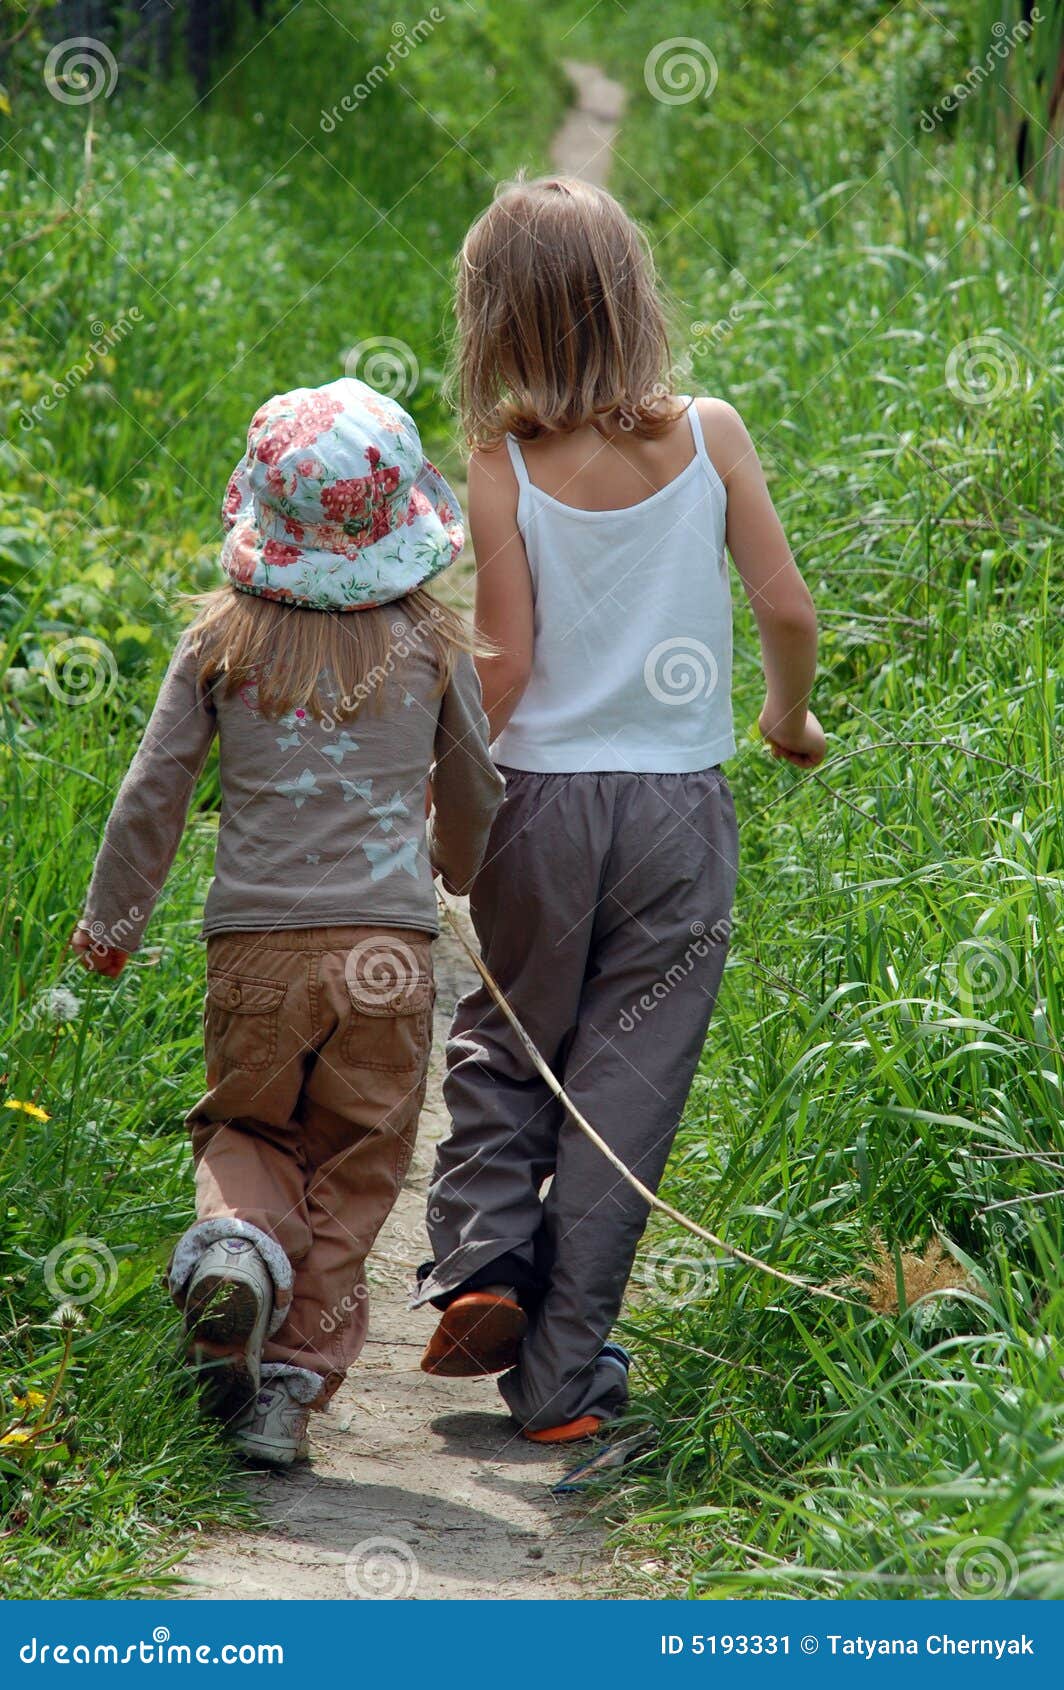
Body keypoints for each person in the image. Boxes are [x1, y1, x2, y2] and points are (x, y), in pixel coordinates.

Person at [415, 176, 825, 1443]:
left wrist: (449, 806)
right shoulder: (711, 432)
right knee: (626, 1085)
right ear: (632, 298)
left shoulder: (501, 463)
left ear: (492, 324)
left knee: (504, 1040)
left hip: (539, 805)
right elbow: (788, 609)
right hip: (675, 817)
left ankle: (483, 1258)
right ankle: (561, 1382)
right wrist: (783, 719)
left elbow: (505, 663)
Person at [74, 377, 503, 1466]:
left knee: (246, 1129)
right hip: (387, 959)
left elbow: (151, 793)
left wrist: (113, 922)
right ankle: (289, 1391)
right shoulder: (429, 647)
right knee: (356, 1164)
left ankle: (235, 1252)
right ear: (396, 519)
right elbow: (478, 791)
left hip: (254, 952)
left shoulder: (218, 641)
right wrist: (454, 868)